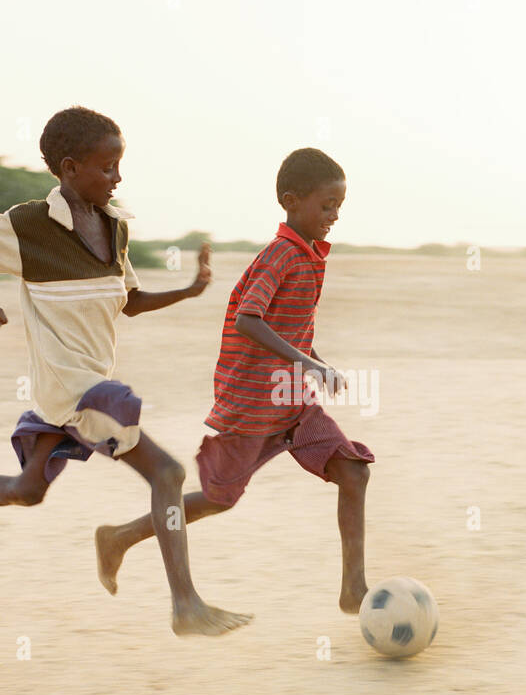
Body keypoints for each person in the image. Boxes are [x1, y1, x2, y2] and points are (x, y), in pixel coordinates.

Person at [0, 105, 251, 638]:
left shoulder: (116, 229)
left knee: (28, 488)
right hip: (73, 390)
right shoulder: (28, 224)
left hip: (81, 388)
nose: (118, 177)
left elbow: (130, 302)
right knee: (168, 474)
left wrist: (190, 290)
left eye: (120, 165)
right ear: (69, 167)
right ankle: (185, 604)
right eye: (108, 167)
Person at [95, 147, 374, 613]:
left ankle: (354, 589)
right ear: (291, 200)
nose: (334, 216)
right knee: (217, 499)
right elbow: (249, 319)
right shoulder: (280, 254)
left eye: (339, 208)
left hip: (293, 402)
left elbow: (291, 326)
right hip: (252, 404)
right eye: (326, 206)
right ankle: (120, 537)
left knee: (354, 471)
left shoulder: (310, 255)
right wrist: (308, 364)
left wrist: (315, 360)